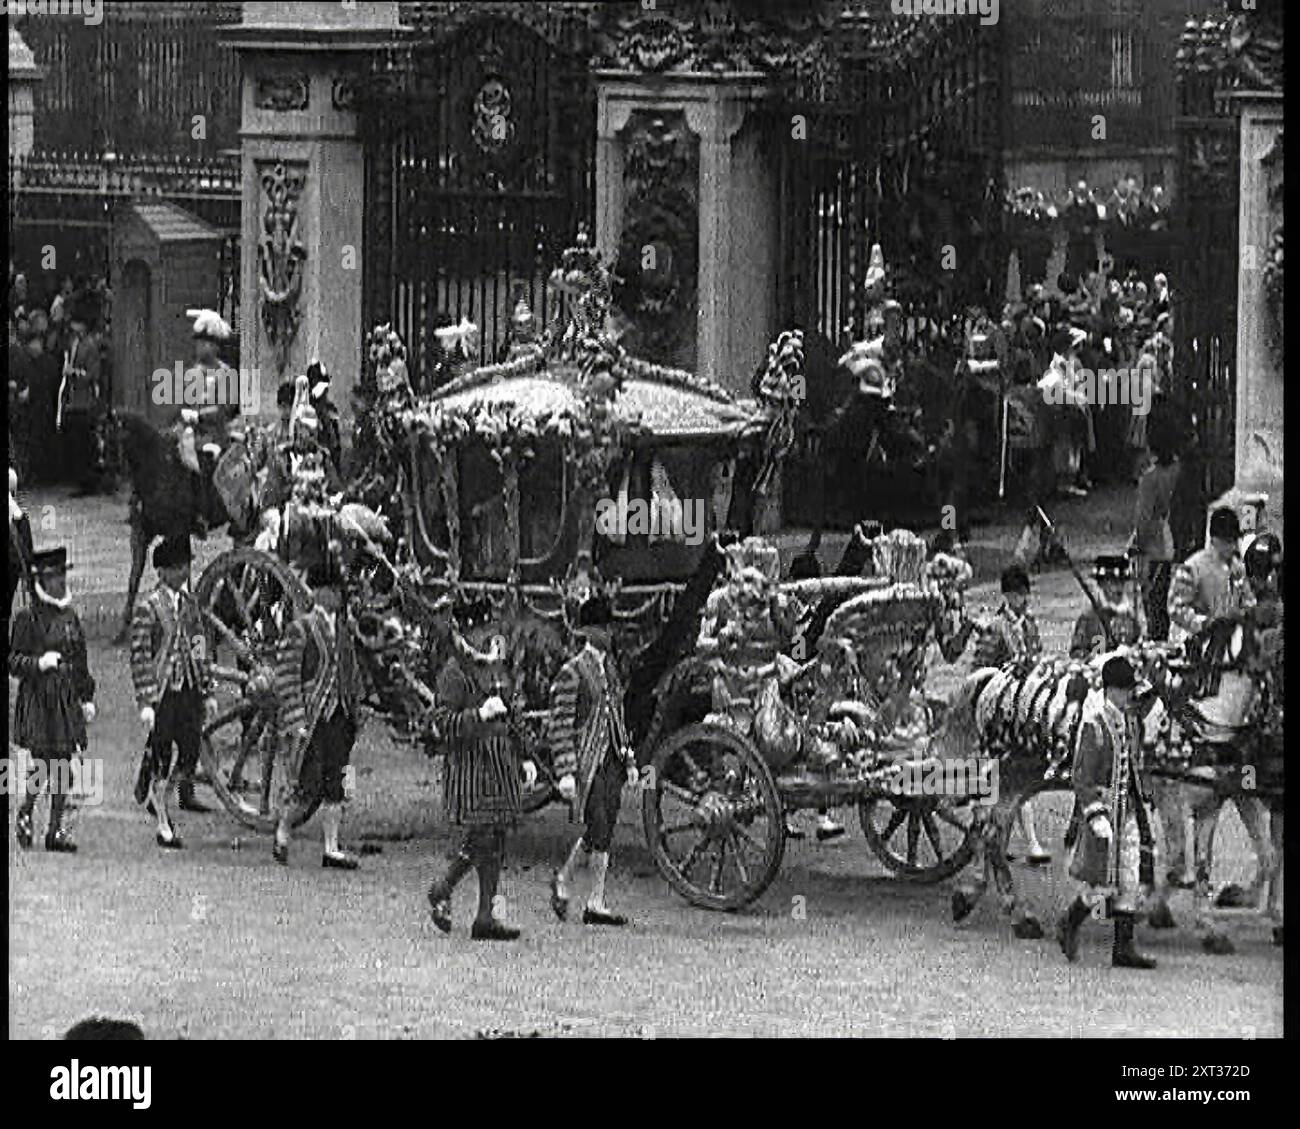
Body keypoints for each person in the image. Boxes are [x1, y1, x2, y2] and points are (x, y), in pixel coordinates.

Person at [426, 597, 537, 940]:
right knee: (483, 835)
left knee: (496, 839)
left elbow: (515, 715)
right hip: (471, 767)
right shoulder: (454, 672)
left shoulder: (498, 669)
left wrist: (526, 755)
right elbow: (442, 723)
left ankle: (486, 915)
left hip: (501, 764)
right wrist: (479, 715)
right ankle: (443, 887)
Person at [1057, 655, 1157, 969]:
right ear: (1113, 690)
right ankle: (1070, 921)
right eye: (1127, 690)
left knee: (1129, 876)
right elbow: (1081, 776)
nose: (1130, 696)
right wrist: (1095, 814)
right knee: (1102, 883)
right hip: (1104, 814)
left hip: (1126, 811)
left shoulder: (1128, 721)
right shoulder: (1094, 723)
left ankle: (1123, 948)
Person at [548, 595, 639, 926]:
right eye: (603, 628)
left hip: (611, 758)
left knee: (604, 828)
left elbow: (617, 716)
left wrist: (627, 756)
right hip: (587, 761)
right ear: (588, 632)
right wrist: (566, 771)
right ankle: (588, 896)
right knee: (598, 824)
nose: (608, 634)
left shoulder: (610, 671)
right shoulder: (572, 672)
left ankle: (571, 885)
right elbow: (559, 725)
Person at [271, 546, 362, 870]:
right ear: (321, 592)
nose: (339, 596)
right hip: (310, 718)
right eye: (334, 591)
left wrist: (355, 708)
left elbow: (350, 671)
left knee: (336, 784)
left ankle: (331, 847)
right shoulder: (301, 628)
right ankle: (283, 830)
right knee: (308, 787)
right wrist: (295, 719)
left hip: (338, 715)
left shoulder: (343, 630)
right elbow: (287, 677)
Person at [129, 537, 217, 847]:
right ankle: (164, 823)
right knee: (163, 755)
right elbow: (140, 655)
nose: (184, 572)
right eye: (178, 567)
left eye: (185, 566)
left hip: (188, 688)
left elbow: (199, 644)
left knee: (191, 750)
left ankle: (158, 795)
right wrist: (146, 700)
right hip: (163, 691)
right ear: (163, 571)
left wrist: (207, 686)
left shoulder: (189, 604)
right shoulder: (148, 607)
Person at [11, 547, 95, 853]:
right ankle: (25, 812)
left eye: (62, 575)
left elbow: (81, 660)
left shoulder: (70, 616)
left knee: (64, 767)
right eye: (53, 577)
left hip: (65, 700)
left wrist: (86, 696)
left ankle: (55, 830)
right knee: (46, 764)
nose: (60, 581)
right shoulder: (27, 618)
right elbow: (13, 661)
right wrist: (38, 664)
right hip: (38, 701)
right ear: (41, 581)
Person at [974, 566, 1050, 865]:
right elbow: (980, 672)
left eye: (1025, 594)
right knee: (1007, 778)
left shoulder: (1029, 624)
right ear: (1008, 595)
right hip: (998, 714)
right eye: (1018, 595)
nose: (1023, 600)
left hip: (1023, 711)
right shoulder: (994, 628)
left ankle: (1013, 841)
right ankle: (1027, 843)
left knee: (1017, 777)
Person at [1167, 505, 1255, 644]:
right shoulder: (1192, 566)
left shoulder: (1237, 568)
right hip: (1193, 642)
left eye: (1234, 540)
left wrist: (1243, 613)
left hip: (1229, 643)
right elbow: (1176, 609)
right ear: (1214, 539)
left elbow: (1248, 600)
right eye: (1227, 541)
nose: (1232, 546)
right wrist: (1205, 623)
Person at [1127, 415, 1180, 640]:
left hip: (1156, 549)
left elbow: (1143, 520)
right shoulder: (1181, 471)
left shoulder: (1150, 479)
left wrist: (1136, 545)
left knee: (1154, 612)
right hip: (1179, 545)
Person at [56, 292, 105, 494]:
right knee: (77, 443)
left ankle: (89, 482)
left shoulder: (90, 345)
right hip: (73, 399)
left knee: (85, 444)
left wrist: (73, 373)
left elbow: (93, 374)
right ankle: (80, 480)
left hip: (84, 400)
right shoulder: (74, 342)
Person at [1069, 555, 1144, 660]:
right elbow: (1076, 653)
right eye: (1113, 582)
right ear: (1101, 584)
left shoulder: (1129, 616)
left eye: (1121, 582)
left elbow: (1139, 645)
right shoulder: (1088, 617)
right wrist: (1096, 659)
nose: (1119, 588)